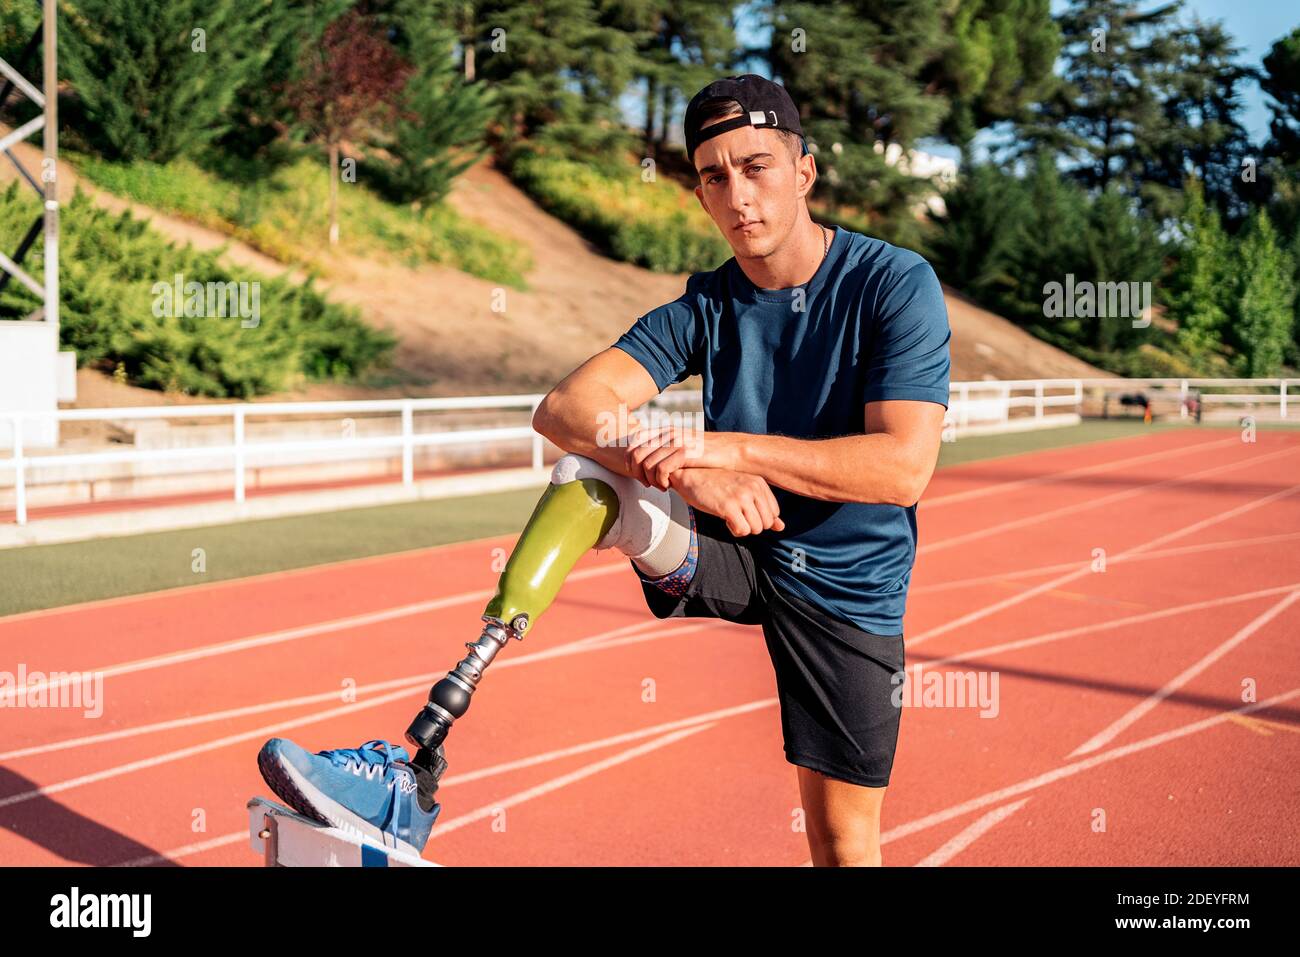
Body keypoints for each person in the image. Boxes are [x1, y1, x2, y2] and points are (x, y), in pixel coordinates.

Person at [256, 74, 950, 867]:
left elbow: (903, 467)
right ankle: (412, 764)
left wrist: (724, 449)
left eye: (756, 167)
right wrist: (686, 475)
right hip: (731, 549)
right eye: (715, 177)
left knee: (840, 840)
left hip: (846, 583)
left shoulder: (893, 284)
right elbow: (565, 407)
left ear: (805, 170)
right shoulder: (707, 306)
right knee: (587, 472)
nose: (738, 195)